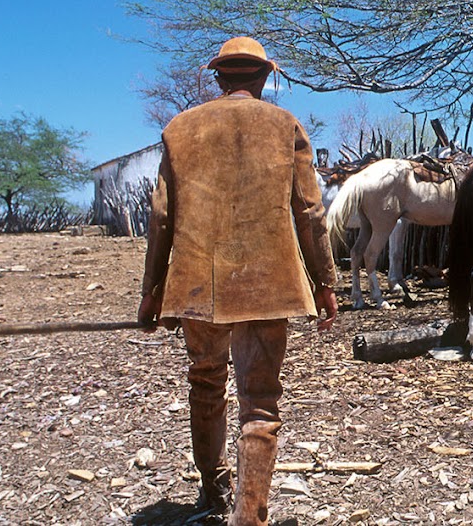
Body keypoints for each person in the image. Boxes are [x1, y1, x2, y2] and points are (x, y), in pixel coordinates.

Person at [138, 36, 338, 526]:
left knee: (205, 384)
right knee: (260, 400)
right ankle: (250, 517)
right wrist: (325, 282)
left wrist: (151, 292)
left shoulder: (180, 129)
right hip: (266, 285)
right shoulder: (284, 124)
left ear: (219, 77)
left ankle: (213, 494)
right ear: (265, 77)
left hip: (197, 287)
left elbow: (161, 217)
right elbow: (310, 213)